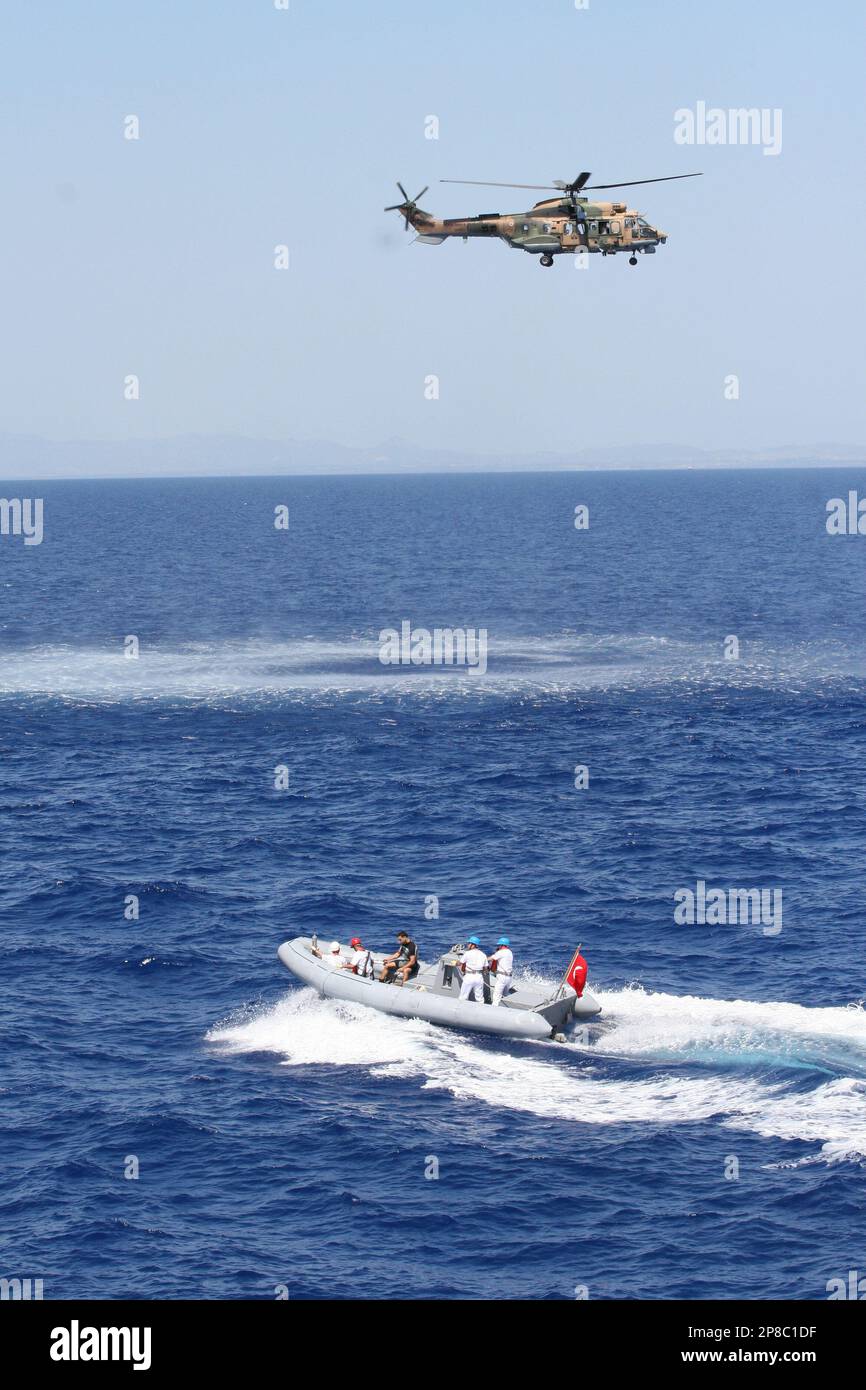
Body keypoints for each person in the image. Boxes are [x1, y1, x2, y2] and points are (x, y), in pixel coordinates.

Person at [459, 935, 487, 1003]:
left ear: (472, 945)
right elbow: (485, 969)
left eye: (469, 943)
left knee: (463, 997)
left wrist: (454, 962)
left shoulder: (467, 953)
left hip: (469, 976)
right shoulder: (483, 954)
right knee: (479, 998)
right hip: (479, 977)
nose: (468, 945)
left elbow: (460, 963)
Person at [487, 936, 514, 1007]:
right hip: (509, 978)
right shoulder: (510, 952)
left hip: (502, 977)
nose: (499, 946)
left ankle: (493, 1011)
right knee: (505, 995)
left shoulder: (501, 952)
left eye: (499, 945)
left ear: (502, 945)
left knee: (496, 997)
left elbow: (490, 958)